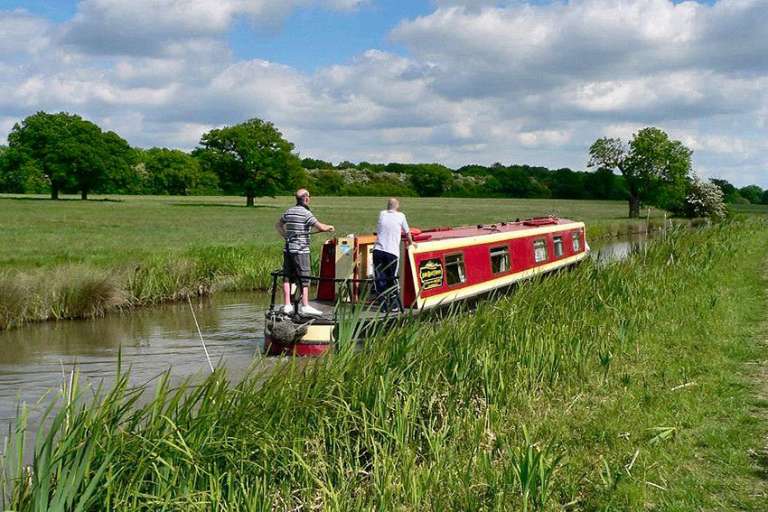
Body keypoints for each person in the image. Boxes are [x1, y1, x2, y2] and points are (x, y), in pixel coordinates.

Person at [275, 189, 334, 316]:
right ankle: (305, 305)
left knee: (287, 276)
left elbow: (278, 225)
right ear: (306, 198)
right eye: (309, 197)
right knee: (304, 275)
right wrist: (329, 227)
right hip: (301, 250)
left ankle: (287, 305)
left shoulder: (289, 211)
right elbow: (321, 227)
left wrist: (286, 236)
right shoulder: (306, 213)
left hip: (288, 249)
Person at [373, 198, 415, 312]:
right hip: (392, 252)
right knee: (392, 278)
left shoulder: (382, 214)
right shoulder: (401, 216)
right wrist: (411, 243)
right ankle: (394, 305)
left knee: (380, 278)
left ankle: (383, 306)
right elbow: (407, 233)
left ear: (388, 206)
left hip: (378, 251)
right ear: (398, 206)